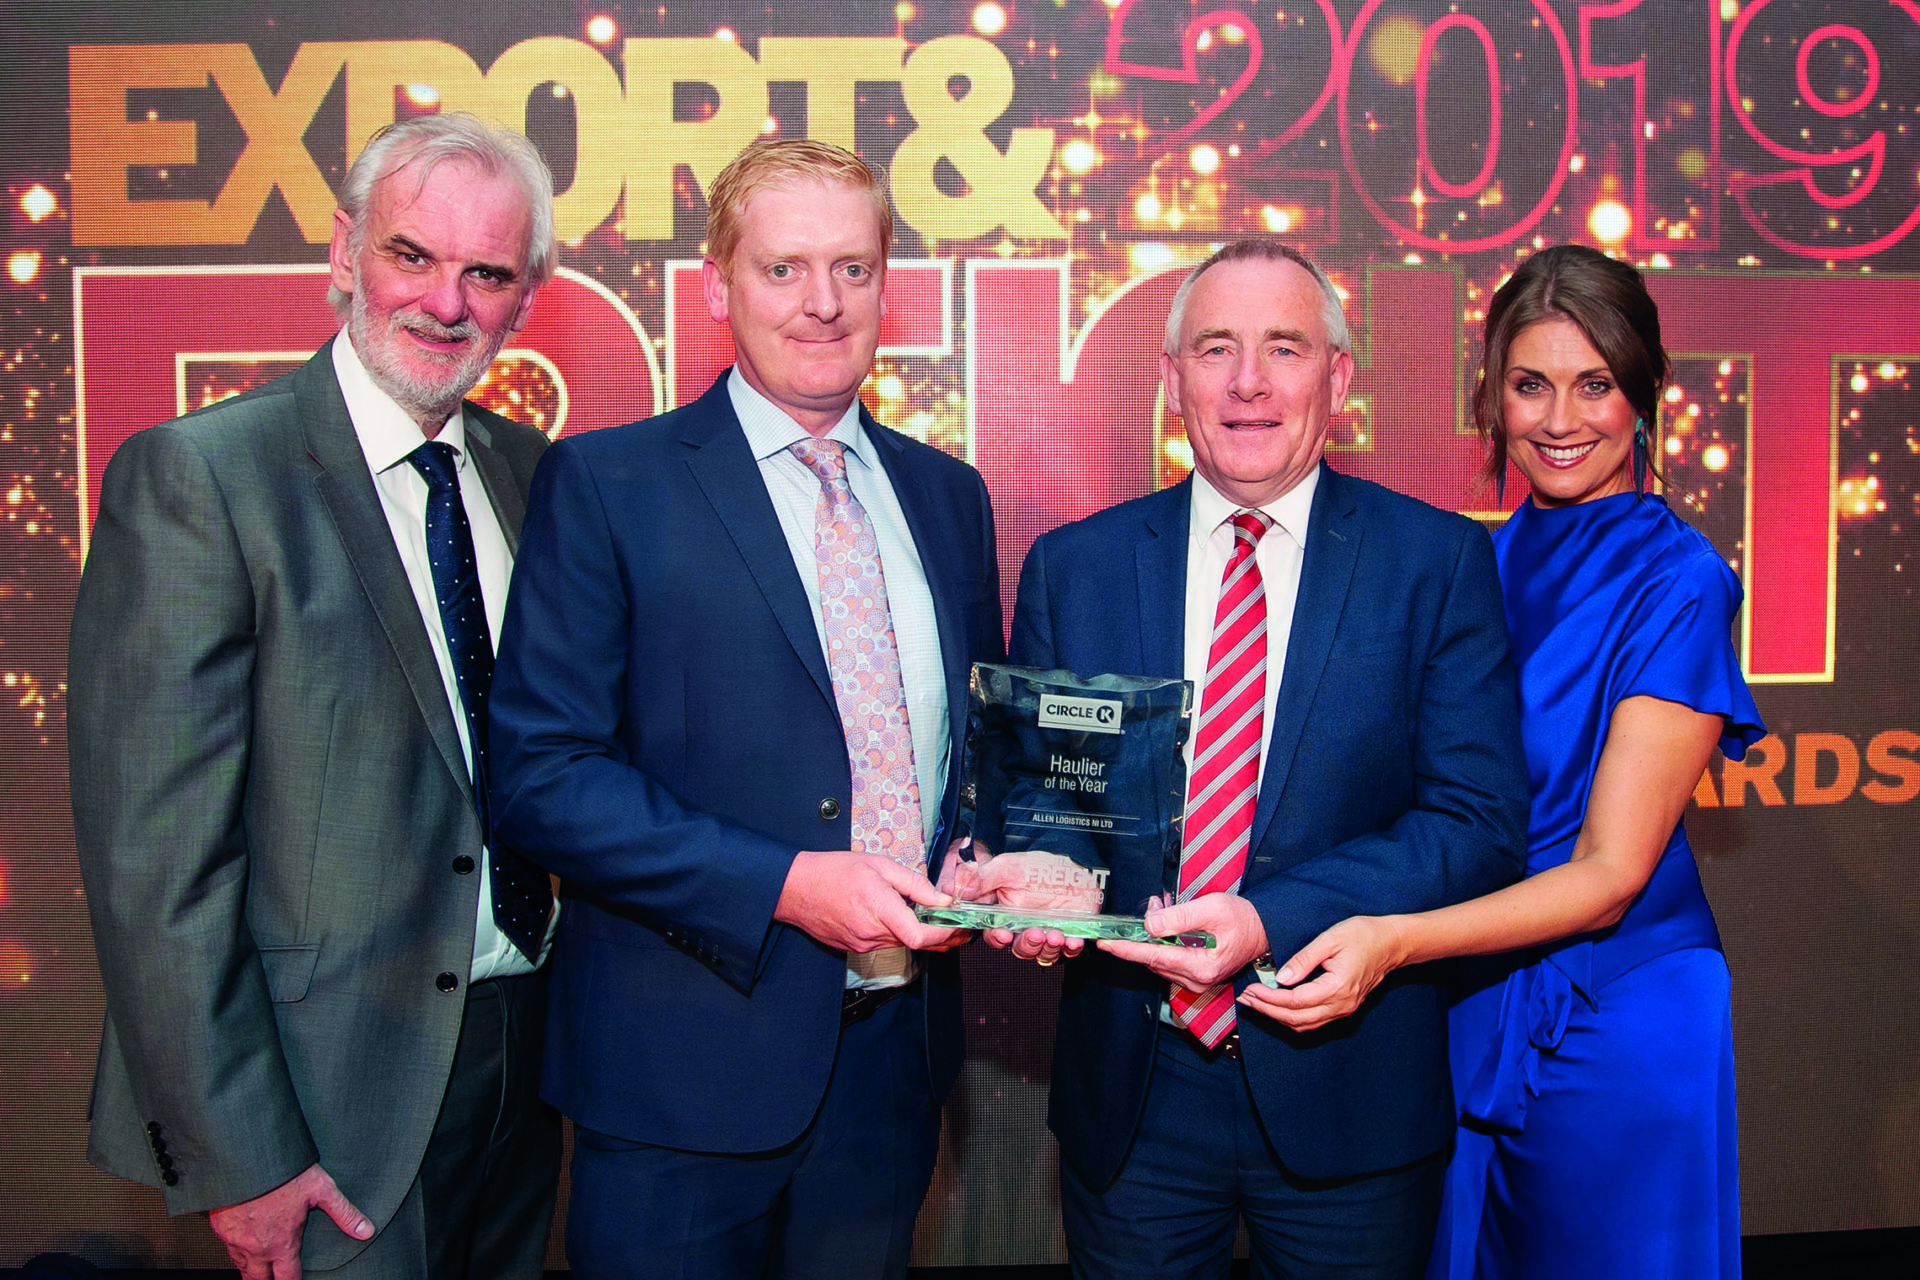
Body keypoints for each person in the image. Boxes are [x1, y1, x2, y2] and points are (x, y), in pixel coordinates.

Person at [487, 138, 1003, 1279]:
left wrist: (1003, 856)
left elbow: (975, 756)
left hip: (891, 1069)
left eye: (854, 269)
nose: (823, 304)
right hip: (678, 1083)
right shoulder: (609, 485)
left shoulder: (947, 496)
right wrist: (784, 884)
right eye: (783, 270)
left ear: (887, 282)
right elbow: (540, 775)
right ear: (716, 285)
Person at [67, 112, 563, 1279]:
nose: (446, 302)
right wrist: (239, 1154)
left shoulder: (533, 476)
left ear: (524, 298)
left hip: (524, 1071)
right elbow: (157, 866)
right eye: (412, 255)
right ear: (343, 254)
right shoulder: (199, 477)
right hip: (319, 1113)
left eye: (486, 273)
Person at [1000, 238, 1532, 1277]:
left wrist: (1267, 917)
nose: (1248, 382)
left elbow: (1475, 821)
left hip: (1350, 1093)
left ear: (1337, 378)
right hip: (1136, 1088)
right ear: (1172, 378)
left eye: (1284, 348)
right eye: (1216, 349)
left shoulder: (1437, 562)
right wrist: (1036, 871)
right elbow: (1046, 802)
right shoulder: (1077, 568)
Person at [1241, 243, 1764, 1278]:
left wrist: (1391, 938)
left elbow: (1610, 877)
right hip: (1471, 990)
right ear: (1492, 397)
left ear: (1644, 392)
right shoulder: (1475, 556)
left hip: (1615, 1015)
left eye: (1595, 384)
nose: (1561, 420)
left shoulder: (1683, 583)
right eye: (1530, 384)